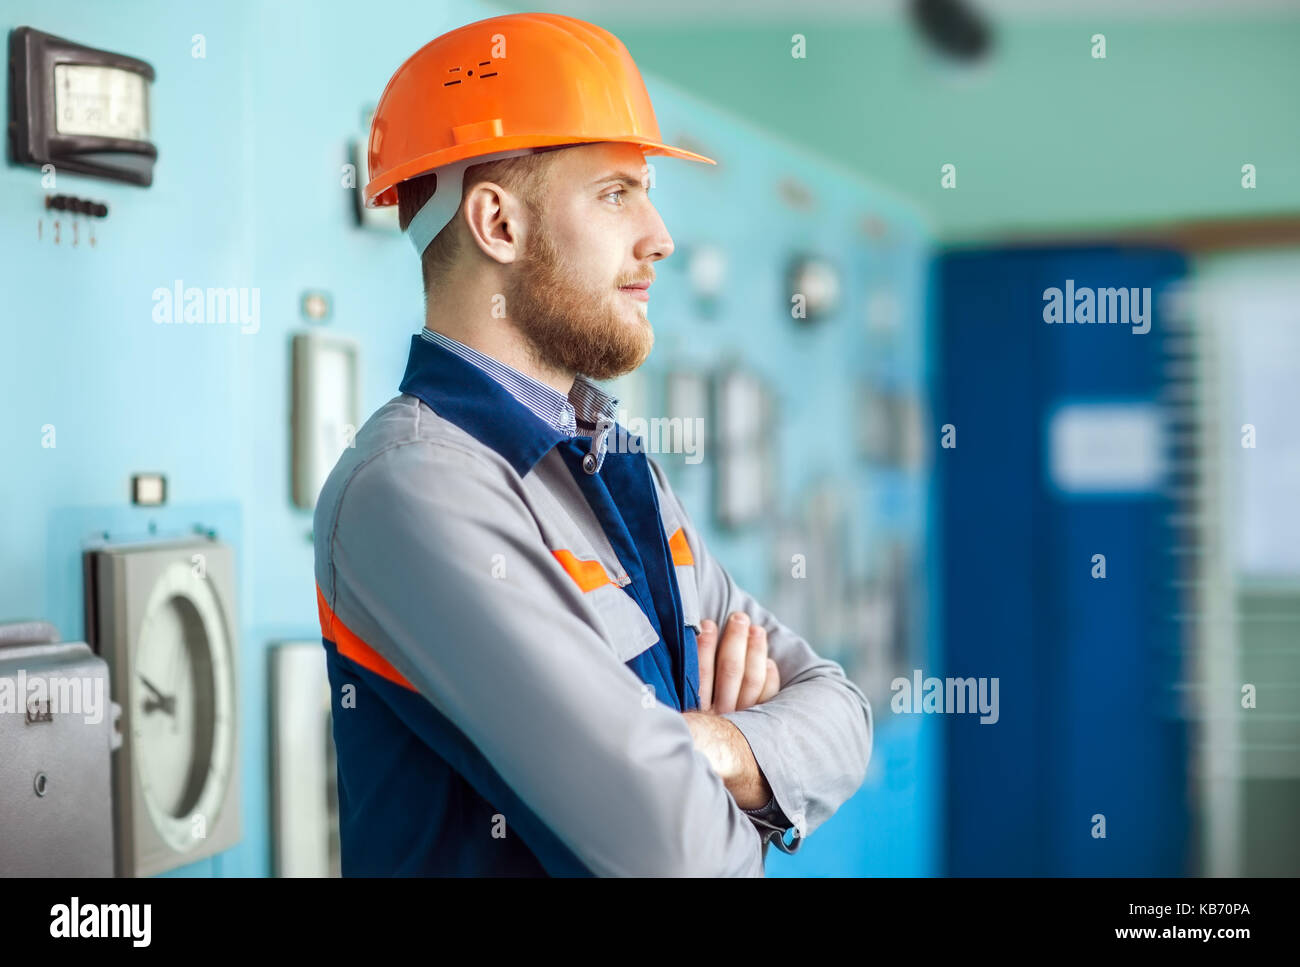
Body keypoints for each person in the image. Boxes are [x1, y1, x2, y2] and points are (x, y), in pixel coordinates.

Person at [313, 11, 872, 876]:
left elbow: (841, 713)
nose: (660, 236)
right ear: (499, 224)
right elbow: (677, 852)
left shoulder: (614, 462)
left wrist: (718, 748)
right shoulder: (414, 486)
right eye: (617, 193)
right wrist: (757, 763)